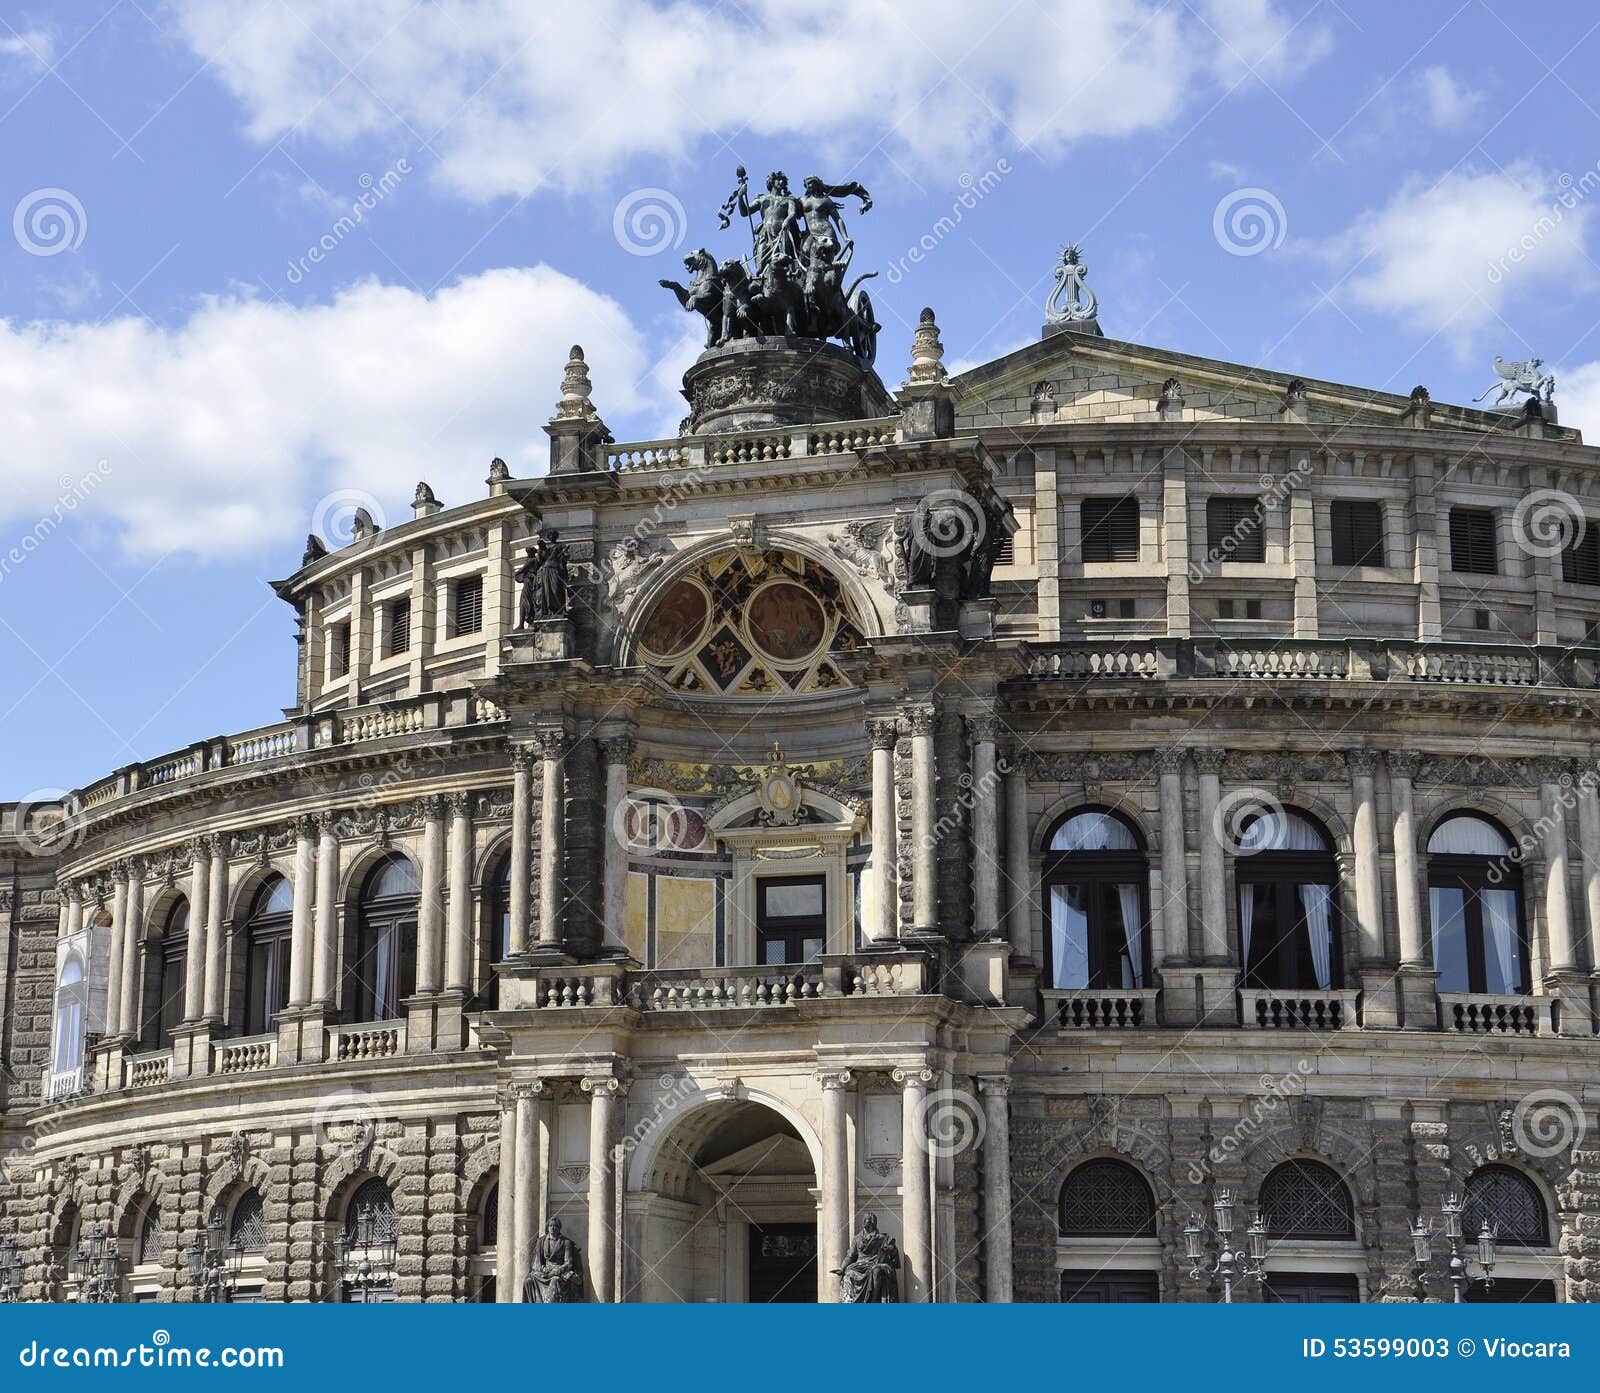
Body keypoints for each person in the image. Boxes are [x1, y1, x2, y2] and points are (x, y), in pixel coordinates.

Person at [835, 1212, 900, 1302]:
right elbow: (850, 1256)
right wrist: (842, 1268)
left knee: (876, 1271)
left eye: (869, 1221)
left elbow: (893, 1253)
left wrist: (890, 1249)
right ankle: (850, 1301)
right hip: (859, 1265)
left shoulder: (882, 1238)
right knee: (848, 1273)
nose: (867, 1223)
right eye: (865, 1220)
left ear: (874, 1223)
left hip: (875, 1264)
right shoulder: (857, 1238)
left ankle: (872, 1301)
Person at [524, 1216, 583, 1302]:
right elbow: (537, 1261)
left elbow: (568, 1263)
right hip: (546, 1271)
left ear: (559, 1228)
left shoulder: (566, 1242)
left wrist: (557, 1270)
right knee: (528, 1280)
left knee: (555, 1280)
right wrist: (542, 1268)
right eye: (551, 1225)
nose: (553, 1228)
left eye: (555, 1226)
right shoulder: (541, 1241)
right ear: (547, 1227)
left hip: (559, 1271)